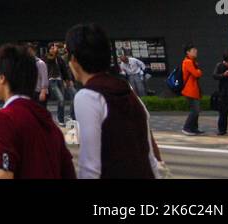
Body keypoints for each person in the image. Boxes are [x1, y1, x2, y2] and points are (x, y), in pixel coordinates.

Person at [65, 23, 159, 178]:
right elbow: (149, 152)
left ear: (74, 59)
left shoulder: (87, 96)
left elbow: (90, 166)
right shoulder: (126, 88)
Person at [0, 43, 74, 179]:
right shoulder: (47, 120)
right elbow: (68, 171)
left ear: (1, 78)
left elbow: (4, 173)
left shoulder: (6, 117)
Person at [44, 42, 74, 125]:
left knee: (67, 99)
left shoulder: (59, 58)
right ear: (49, 49)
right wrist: (54, 52)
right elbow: (51, 59)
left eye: (54, 47)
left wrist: (67, 80)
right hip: (52, 81)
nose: (54, 49)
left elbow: (64, 70)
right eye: (52, 48)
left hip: (60, 80)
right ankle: (60, 119)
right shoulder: (47, 57)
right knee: (61, 99)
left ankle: (66, 118)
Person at [180, 45, 203, 135]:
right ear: (187, 52)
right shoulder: (188, 62)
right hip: (189, 90)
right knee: (195, 110)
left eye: (196, 50)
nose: (195, 52)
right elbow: (196, 74)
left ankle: (194, 128)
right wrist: (199, 71)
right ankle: (186, 128)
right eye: (193, 50)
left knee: (196, 110)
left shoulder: (192, 62)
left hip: (194, 90)